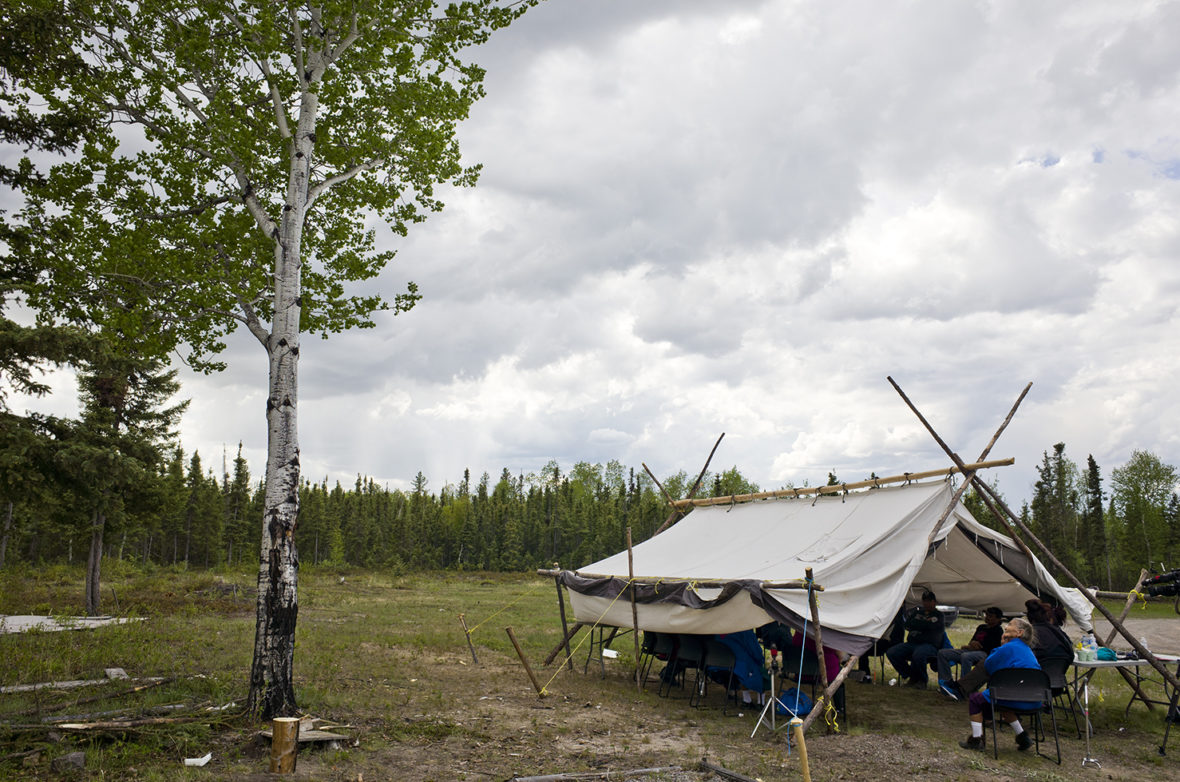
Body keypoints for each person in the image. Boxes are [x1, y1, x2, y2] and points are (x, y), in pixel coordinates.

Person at [959, 617, 1042, 752]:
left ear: (1019, 633)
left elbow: (988, 665)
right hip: (1034, 699)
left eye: (1010, 624)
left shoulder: (1008, 647)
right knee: (1005, 704)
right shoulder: (1028, 651)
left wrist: (1001, 646)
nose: (1006, 626)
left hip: (1013, 696)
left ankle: (976, 738)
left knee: (975, 699)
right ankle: (1022, 737)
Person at [937, 606, 1004, 700]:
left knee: (966, 656)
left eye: (991, 616)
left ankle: (963, 689)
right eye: (987, 615)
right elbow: (972, 642)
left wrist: (976, 646)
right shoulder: (981, 627)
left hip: (985, 654)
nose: (987, 617)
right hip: (971, 650)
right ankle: (946, 683)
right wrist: (971, 645)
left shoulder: (998, 630)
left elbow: (991, 648)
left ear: (998, 619)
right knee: (943, 653)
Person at [886, 589, 945, 689]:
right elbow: (907, 625)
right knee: (892, 652)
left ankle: (922, 680)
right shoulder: (917, 612)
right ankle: (912, 676)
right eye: (924, 601)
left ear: (934, 602)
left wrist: (918, 624)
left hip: (929, 645)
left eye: (929, 601)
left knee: (918, 654)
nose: (926, 603)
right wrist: (924, 624)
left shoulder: (939, 615)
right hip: (912, 643)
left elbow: (930, 626)